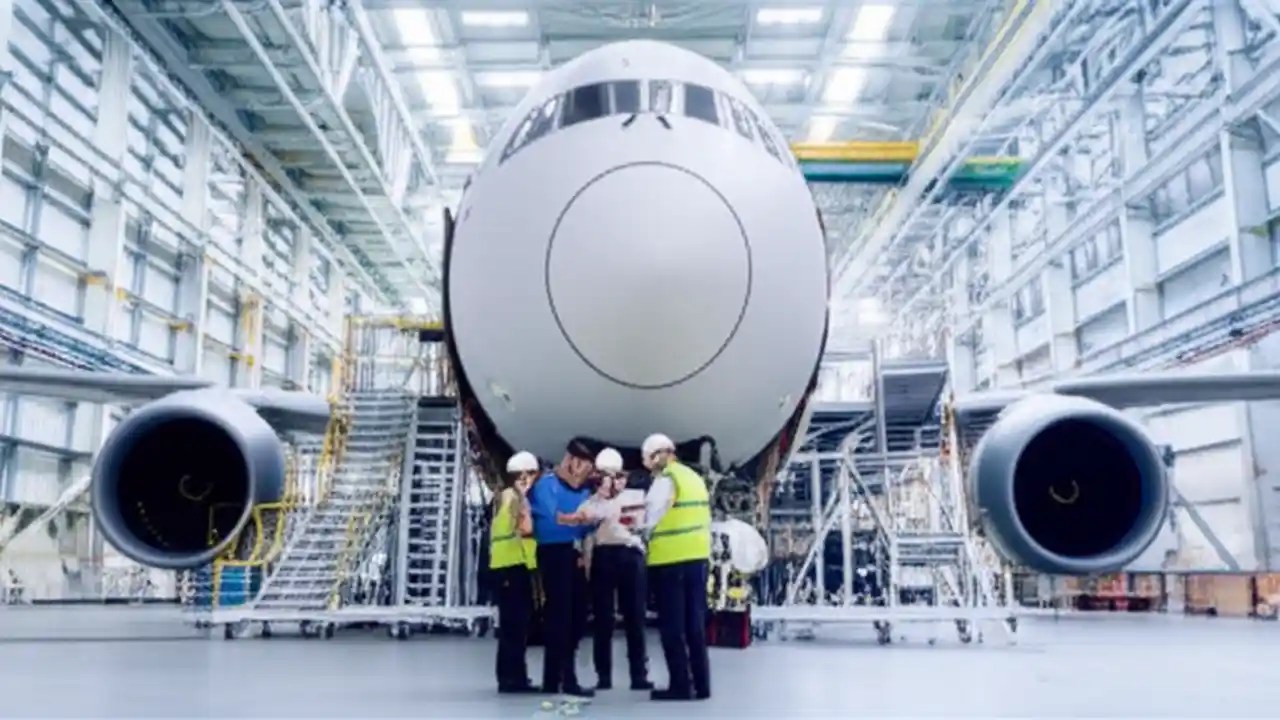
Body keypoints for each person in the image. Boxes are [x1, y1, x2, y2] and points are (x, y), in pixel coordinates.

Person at [564, 447, 653, 691]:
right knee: (603, 620)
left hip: (630, 554)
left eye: (613, 474)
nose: (609, 479)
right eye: (604, 474)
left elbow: (640, 522)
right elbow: (585, 519)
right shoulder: (591, 501)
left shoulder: (635, 496)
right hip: (604, 555)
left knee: (635, 617)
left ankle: (638, 675)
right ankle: (604, 675)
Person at [639, 433, 712, 701]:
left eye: (647, 459)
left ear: (659, 455)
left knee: (672, 627)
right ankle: (702, 686)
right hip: (697, 559)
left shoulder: (666, 480)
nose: (646, 465)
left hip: (671, 562)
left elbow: (651, 517)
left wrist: (633, 529)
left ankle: (680, 685)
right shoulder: (693, 478)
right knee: (695, 625)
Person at [528, 438, 597, 697]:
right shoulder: (546, 485)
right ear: (569, 460)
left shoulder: (583, 492)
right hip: (553, 553)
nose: (582, 472)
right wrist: (579, 519)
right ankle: (559, 678)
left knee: (577, 616)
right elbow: (555, 517)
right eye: (580, 465)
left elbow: (587, 525)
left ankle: (562, 675)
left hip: (575, 554)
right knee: (559, 617)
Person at [490, 451, 541, 694]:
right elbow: (524, 527)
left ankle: (510, 677)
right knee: (516, 627)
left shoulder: (503, 495)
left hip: (504, 567)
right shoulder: (516, 498)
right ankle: (514, 680)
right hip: (513, 567)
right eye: (532, 474)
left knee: (511, 627)